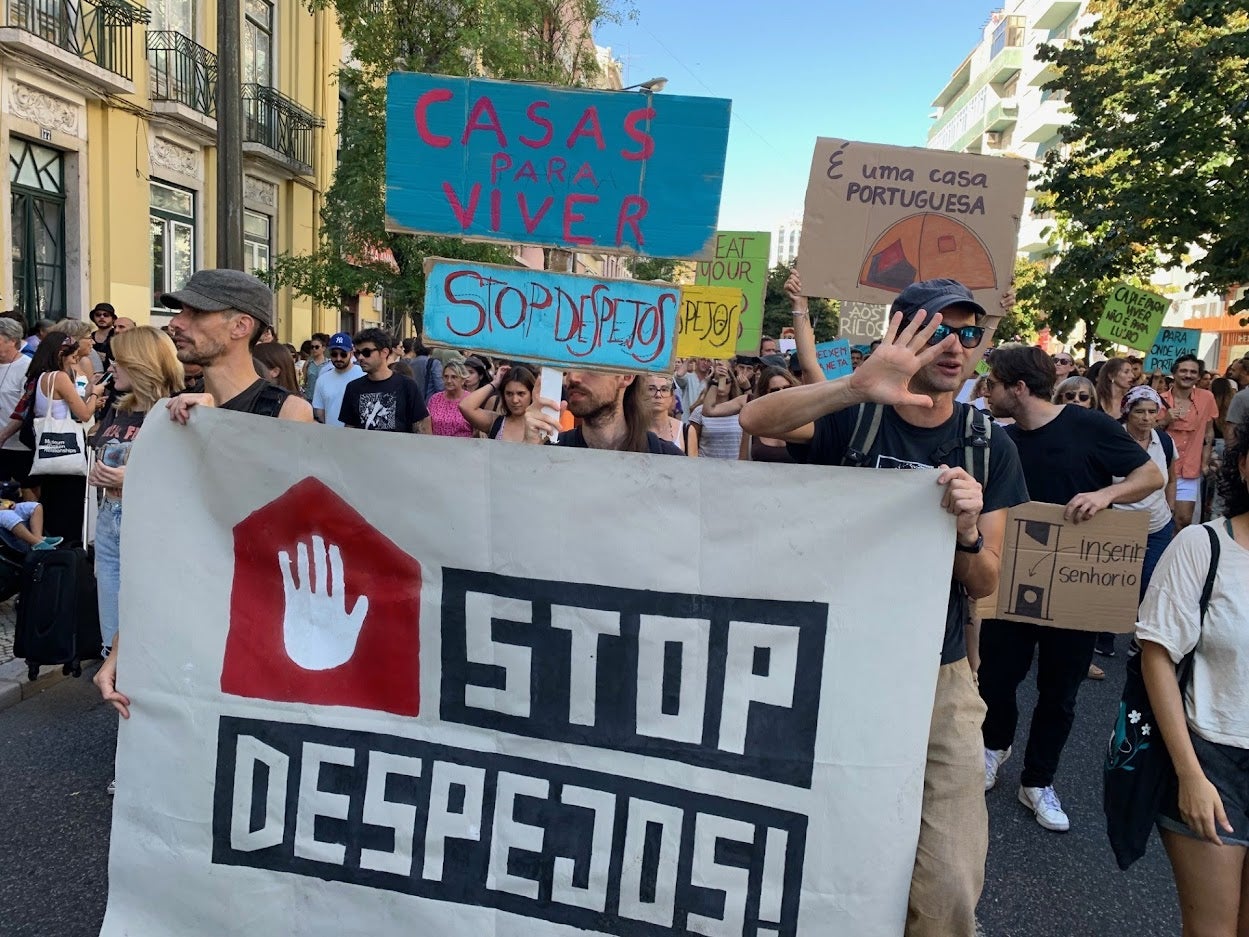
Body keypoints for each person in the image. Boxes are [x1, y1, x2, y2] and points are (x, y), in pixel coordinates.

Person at [739, 275, 1029, 937]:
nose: (955, 346)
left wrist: (965, 531)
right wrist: (854, 386)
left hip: (938, 675)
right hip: (834, 667)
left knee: (950, 881)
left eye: (967, 333)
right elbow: (757, 422)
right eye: (938, 330)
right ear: (899, 335)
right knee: (829, 854)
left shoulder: (989, 444)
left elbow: (984, 580)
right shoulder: (854, 414)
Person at [979, 344, 1163, 833]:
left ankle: (1038, 781)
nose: (987, 391)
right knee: (997, 676)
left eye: (993, 384)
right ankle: (994, 747)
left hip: (1075, 583)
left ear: (1019, 388)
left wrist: (1105, 495)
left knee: (1059, 690)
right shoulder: (1000, 438)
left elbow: (1151, 475)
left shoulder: (1090, 426)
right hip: (1011, 577)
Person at [1137, 434, 1249, 936]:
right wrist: (1190, 774)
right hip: (1213, 760)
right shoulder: (1202, 546)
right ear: (1243, 467)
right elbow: (1157, 655)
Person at [90, 326, 183, 654]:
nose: (112, 366)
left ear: (142, 363)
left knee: (148, 627)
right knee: (111, 627)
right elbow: (104, 448)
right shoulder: (120, 407)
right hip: (109, 517)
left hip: (148, 521)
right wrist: (102, 473)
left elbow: (189, 476)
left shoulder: (174, 411)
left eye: (120, 360)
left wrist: (133, 477)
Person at [160, 269, 312, 422]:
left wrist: (210, 421)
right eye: (181, 310)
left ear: (240, 326)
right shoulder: (176, 405)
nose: (175, 322)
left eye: (197, 312)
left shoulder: (286, 411)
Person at [526, 370, 683, 454]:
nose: (573, 377)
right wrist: (529, 452)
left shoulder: (666, 459)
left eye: (590, 365)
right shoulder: (552, 454)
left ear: (626, 376)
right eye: (569, 366)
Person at [1161, 354, 1218, 532]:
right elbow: (1147, 432)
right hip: (1162, 469)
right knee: (1161, 518)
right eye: (1183, 371)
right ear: (1174, 374)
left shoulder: (1207, 397)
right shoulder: (1160, 399)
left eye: (1193, 372)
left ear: (1198, 376)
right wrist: (1165, 420)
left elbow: (1209, 432)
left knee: (1184, 520)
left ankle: (1176, 550)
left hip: (1189, 469)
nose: (1188, 375)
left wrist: (1205, 462)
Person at [338, 328, 429, 433]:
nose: (360, 357)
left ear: (384, 352)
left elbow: (422, 427)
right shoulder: (353, 388)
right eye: (357, 353)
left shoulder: (407, 386)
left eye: (366, 352)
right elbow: (349, 429)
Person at [460, 364, 543, 443]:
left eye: (521, 394)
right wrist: (495, 383)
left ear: (531, 394)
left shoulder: (540, 426)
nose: (515, 400)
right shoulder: (496, 422)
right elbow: (465, 406)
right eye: (509, 394)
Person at [689, 359, 745, 459]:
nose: (721, 385)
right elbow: (692, 444)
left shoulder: (740, 410)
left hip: (734, 466)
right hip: (706, 466)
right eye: (717, 381)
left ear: (732, 384)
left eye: (726, 381)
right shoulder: (699, 411)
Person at [0, 319, 32, 485]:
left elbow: (25, 407)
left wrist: (3, 436)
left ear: (12, 341)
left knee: (26, 491)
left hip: (18, 445)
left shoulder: (27, 367)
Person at [745, 366, 799, 462]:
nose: (782, 393)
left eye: (787, 388)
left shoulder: (807, 421)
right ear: (764, 394)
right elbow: (742, 460)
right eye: (775, 390)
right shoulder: (752, 423)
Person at [311, 333, 363, 427]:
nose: (338, 358)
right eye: (334, 354)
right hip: (330, 433)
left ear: (351, 353)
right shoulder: (322, 379)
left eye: (343, 354)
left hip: (357, 434)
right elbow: (319, 412)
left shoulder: (363, 375)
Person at [425, 359, 474, 437]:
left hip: (463, 443)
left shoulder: (471, 400)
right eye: (446, 376)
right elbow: (427, 425)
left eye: (454, 377)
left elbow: (477, 430)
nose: (449, 381)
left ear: (463, 380)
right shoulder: (435, 399)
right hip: (436, 443)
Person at [643, 373, 684, 452]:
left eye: (664, 390)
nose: (658, 395)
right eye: (651, 389)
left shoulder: (685, 430)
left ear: (671, 396)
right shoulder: (631, 427)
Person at [673, 357, 712, 424]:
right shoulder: (688, 377)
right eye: (702, 359)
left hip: (703, 423)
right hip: (686, 421)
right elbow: (679, 375)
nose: (705, 363)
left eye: (708, 361)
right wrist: (689, 359)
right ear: (696, 360)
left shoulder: (711, 382)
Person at [88, 302, 116, 372]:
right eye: (98, 315)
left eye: (106, 315)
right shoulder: (89, 337)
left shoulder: (117, 336)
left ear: (113, 319)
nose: (102, 317)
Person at [302, 333, 330, 402]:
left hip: (323, 399)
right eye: (312, 347)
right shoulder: (308, 363)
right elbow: (303, 382)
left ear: (323, 348)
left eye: (317, 347)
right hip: (309, 398)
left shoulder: (329, 364)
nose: (314, 349)